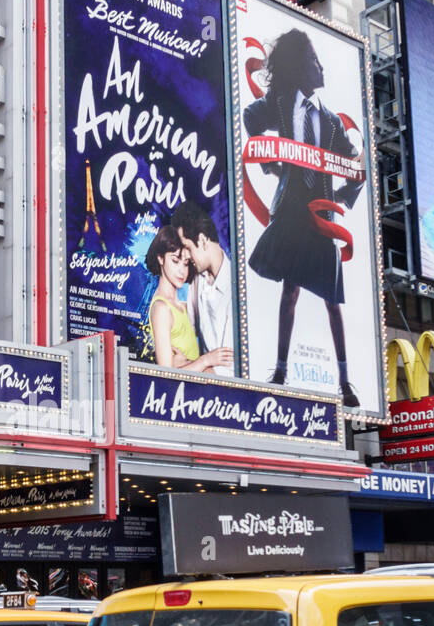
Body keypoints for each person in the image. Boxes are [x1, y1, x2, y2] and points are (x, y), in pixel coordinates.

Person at [242, 28, 363, 408]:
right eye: (313, 60)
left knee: (331, 300)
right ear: (299, 66)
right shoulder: (280, 103)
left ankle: (345, 382)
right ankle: (280, 370)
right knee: (289, 291)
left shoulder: (331, 121)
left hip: (321, 214)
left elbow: (356, 164)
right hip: (291, 210)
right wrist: (270, 165)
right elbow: (249, 118)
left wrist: (343, 196)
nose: (320, 67)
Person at [145, 225, 234, 373]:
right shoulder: (162, 309)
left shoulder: (183, 306)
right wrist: (206, 360)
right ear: (160, 258)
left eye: (186, 263)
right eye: (175, 261)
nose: (182, 271)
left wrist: (188, 362)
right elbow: (165, 375)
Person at [172, 200, 234, 375]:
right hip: (200, 377)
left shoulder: (235, 289)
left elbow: (227, 371)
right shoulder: (198, 279)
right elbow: (185, 340)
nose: (185, 255)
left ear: (202, 240)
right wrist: (196, 361)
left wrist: (191, 365)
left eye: (187, 247)